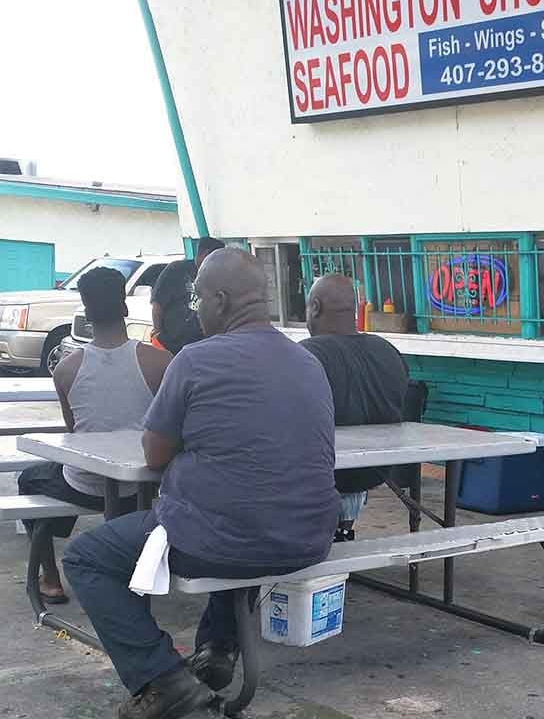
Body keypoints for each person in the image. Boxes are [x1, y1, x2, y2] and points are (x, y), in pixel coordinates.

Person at [63, 248, 339, 719]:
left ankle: (162, 677)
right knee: (242, 515)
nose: (194, 309)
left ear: (221, 300)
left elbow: (153, 454)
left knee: (86, 557)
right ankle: (218, 648)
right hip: (310, 538)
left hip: (225, 537)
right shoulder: (308, 363)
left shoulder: (195, 360)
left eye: (197, 299)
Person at [18, 267, 172, 604]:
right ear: (126, 308)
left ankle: (50, 578)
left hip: (85, 484)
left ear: (86, 314)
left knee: (31, 479)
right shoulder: (160, 362)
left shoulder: (66, 370)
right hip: (144, 485)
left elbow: (76, 435)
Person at [300, 274, 409, 536]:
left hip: (328, 474)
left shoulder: (305, 356)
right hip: (377, 471)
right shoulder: (388, 350)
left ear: (315, 307)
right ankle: (343, 528)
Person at [150, 236, 225, 354]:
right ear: (204, 254)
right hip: (169, 345)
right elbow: (157, 303)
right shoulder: (176, 269)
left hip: (202, 348)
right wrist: (157, 332)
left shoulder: (218, 276)